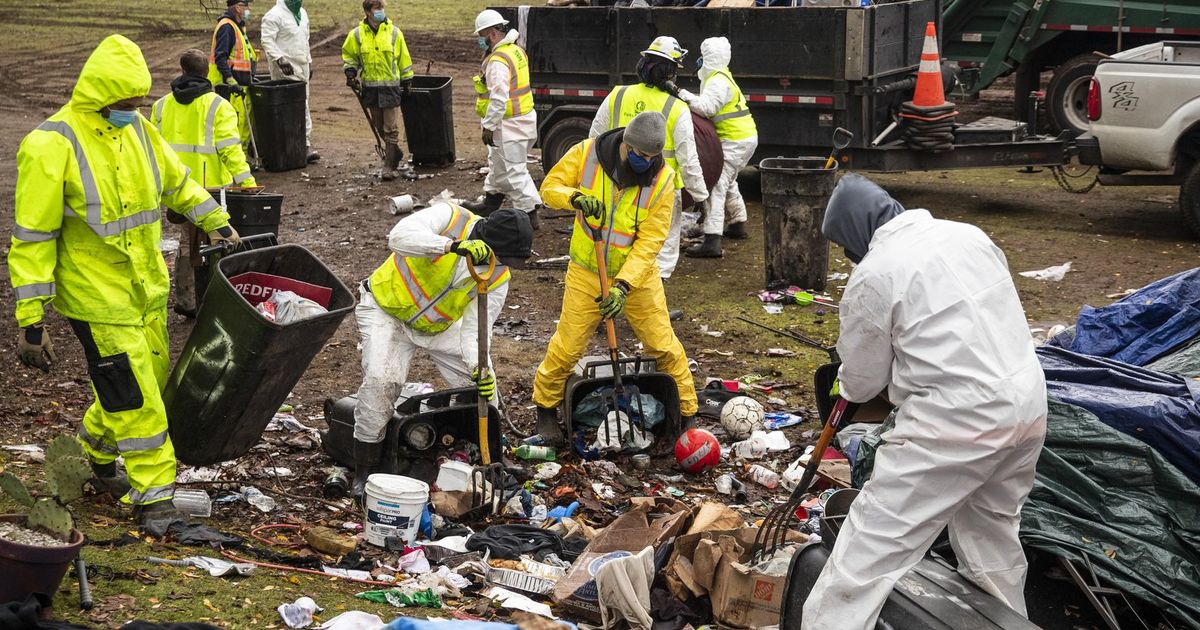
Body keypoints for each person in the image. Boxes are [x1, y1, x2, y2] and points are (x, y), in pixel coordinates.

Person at [9, 35, 238, 525]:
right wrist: (31, 318)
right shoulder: (51, 145)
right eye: (126, 103)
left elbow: (176, 181)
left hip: (146, 288)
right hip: (94, 295)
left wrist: (217, 220)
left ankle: (89, 454)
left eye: (139, 102)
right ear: (101, 96)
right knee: (136, 395)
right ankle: (155, 499)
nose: (134, 110)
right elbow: (32, 237)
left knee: (142, 382)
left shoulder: (140, 130)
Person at [802, 174, 1048, 629]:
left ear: (854, 232)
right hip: (1027, 406)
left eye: (843, 245)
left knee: (865, 554)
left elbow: (859, 382)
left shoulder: (875, 274)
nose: (847, 255)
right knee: (991, 540)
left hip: (955, 422)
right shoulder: (968, 236)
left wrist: (852, 381)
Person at [533, 112, 698, 446]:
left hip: (637, 278)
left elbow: (651, 241)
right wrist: (575, 198)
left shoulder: (663, 180)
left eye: (653, 157)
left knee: (663, 344)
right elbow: (550, 188)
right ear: (626, 144)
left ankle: (686, 413)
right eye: (639, 155)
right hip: (587, 271)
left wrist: (623, 286)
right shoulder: (587, 153)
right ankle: (546, 411)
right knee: (567, 347)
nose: (645, 162)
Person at [351, 206, 533, 495]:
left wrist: (478, 368)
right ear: (486, 244)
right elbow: (398, 237)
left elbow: (476, 331)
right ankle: (364, 468)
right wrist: (451, 246)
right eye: (502, 258)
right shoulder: (451, 219)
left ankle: (493, 455)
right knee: (381, 381)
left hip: (436, 326)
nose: (503, 266)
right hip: (387, 311)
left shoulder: (499, 277)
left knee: (484, 383)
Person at [589, 36, 708, 279]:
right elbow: (689, 160)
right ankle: (651, 308)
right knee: (659, 247)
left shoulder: (617, 95)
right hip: (659, 191)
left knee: (618, 242)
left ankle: (614, 295)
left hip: (615, 185)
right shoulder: (677, 108)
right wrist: (700, 197)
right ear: (671, 73)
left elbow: (593, 142)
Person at [150, 49, 257, 317]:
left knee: (186, 240)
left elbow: (152, 151)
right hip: (210, 189)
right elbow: (231, 150)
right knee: (216, 241)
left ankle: (187, 298)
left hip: (174, 189)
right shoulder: (218, 106)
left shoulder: (161, 106)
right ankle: (211, 298)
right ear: (207, 70)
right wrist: (248, 183)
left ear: (182, 70)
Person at [461, 10, 543, 229]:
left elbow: (499, 98)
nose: (479, 39)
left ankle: (529, 214)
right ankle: (490, 202)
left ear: (493, 33)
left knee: (515, 171)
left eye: (481, 34)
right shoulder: (515, 50)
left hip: (509, 124)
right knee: (497, 164)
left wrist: (488, 125)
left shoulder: (498, 61)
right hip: (519, 120)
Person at [679, 37, 756, 258]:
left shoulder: (717, 81)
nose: (698, 61)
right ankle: (737, 223)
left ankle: (712, 241)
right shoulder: (721, 77)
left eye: (702, 56)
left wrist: (682, 94)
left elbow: (707, 108)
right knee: (729, 179)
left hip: (735, 139)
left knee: (716, 184)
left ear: (709, 58)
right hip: (742, 137)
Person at [342, 0, 415, 181]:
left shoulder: (395, 33)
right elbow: (350, 56)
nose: (381, 11)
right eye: (377, 8)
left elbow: (404, 59)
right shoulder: (356, 35)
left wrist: (407, 80)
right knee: (379, 127)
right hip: (371, 90)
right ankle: (395, 152)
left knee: (391, 128)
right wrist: (350, 73)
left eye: (382, 8)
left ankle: (389, 165)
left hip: (390, 89)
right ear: (368, 11)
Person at [261, 0, 319, 163]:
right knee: (288, 108)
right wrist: (280, 59)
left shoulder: (302, 13)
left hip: (301, 66)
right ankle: (288, 147)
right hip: (285, 68)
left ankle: (304, 145)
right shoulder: (273, 16)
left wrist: (309, 61)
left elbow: (305, 40)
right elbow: (267, 41)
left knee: (304, 104)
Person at [208, 0, 258, 148]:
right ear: (237, 8)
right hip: (231, 87)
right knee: (235, 123)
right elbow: (220, 57)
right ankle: (237, 155)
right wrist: (230, 80)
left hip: (242, 83)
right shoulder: (227, 27)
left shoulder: (237, 26)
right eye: (246, 6)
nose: (249, 9)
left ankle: (242, 156)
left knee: (243, 122)